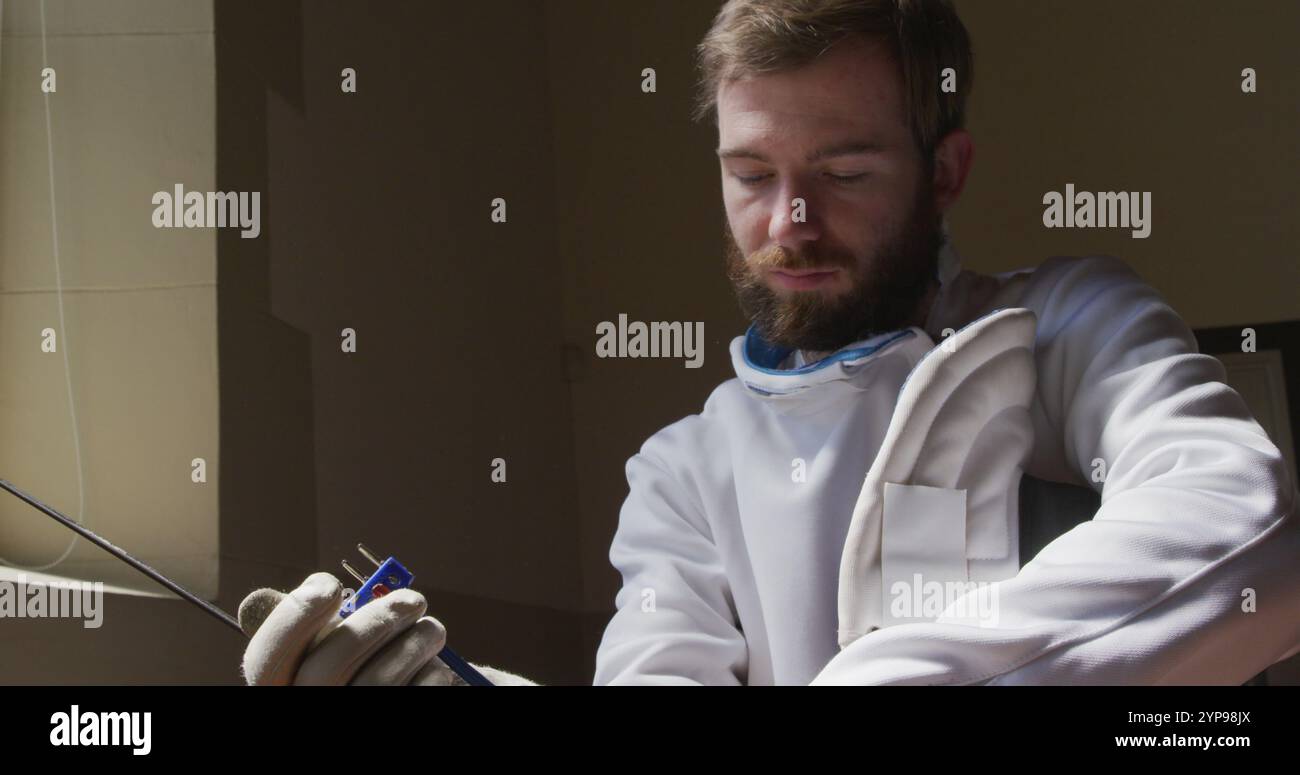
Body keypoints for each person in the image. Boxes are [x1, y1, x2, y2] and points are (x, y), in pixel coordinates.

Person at [240, 0, 1300, 686]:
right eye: (752, 175)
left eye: (841, 173)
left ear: (944, 171)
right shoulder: (682, 471)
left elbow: (1241, 525)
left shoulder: (1070, 324)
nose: (788, 221)